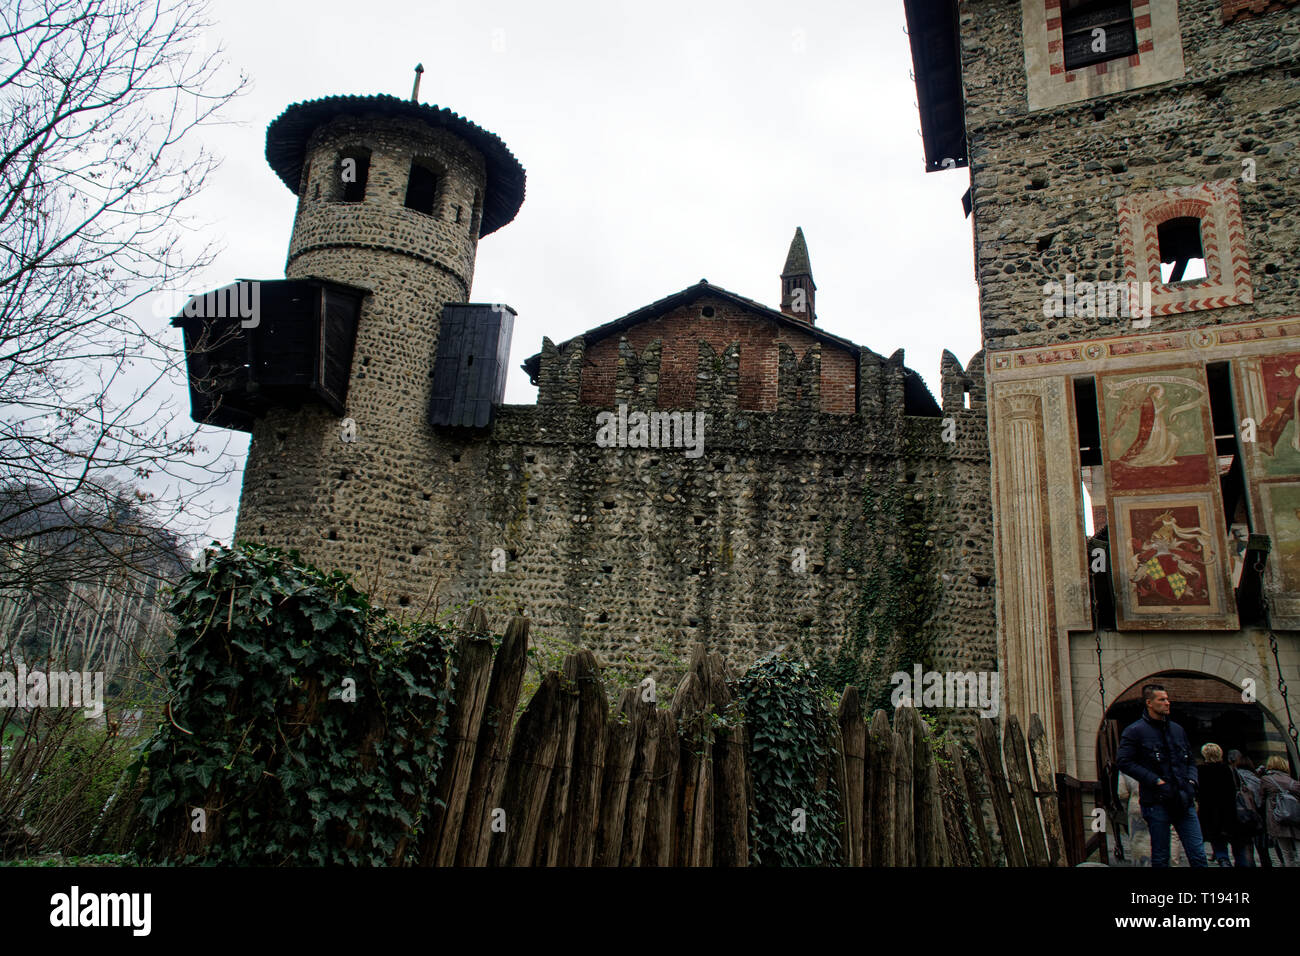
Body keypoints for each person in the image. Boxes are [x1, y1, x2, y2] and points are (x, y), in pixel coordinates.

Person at [1116, 684, 1207, 867]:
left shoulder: (1177, 730)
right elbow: (1124, 761)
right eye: (1162, 699)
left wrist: (1191, 782)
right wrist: (1154, 780)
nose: (1167, 703)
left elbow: (1190, 760)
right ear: (1149, 703)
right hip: (1156, 801)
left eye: (1167, 699)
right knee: (1160, 856)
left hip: (1183, 799)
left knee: (1198, 855)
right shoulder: (1135, 731)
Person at [1196, 743, 1236, 866]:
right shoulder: (1226, 769)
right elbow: (1232, 790)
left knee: (1212, 836)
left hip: (1207, 809)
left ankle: (1220, 858)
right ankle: (1224, 859)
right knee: (1225, 836)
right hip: (1226, 809)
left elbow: (1197, 791)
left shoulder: (1200, 770)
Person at [1259, 755, 1300, 867]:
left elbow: (1260, 800)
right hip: (1296, 819)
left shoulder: (1266, 780)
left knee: (1287, 854)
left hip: (1277, 819)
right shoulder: (1293, 781)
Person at [1227, 749, 1261, 867]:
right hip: (1250, 813)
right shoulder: (1253, 777)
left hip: (1238, 814)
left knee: (1242, 847)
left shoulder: (1233, 773)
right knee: (1249, 846)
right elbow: (1258, 798)